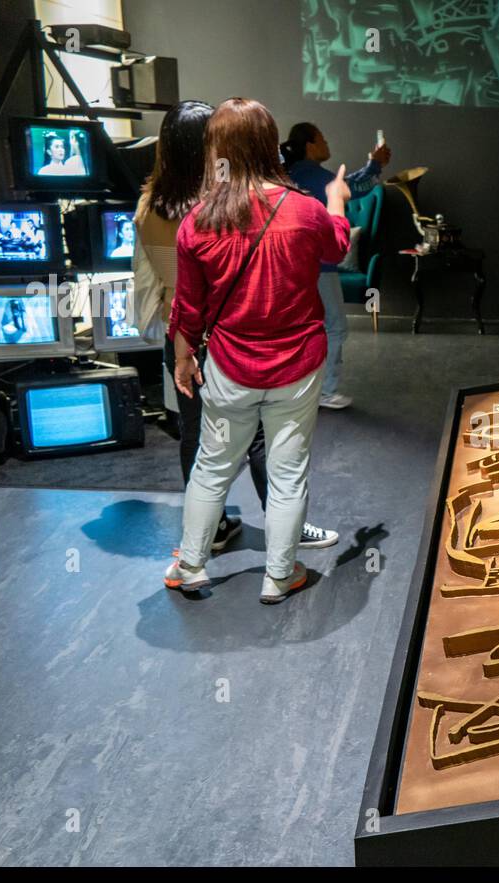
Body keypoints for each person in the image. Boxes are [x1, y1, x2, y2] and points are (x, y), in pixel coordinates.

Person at [165, 98, 351, 604]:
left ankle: (192, 566)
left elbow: (188, 307)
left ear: (217, 150)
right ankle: (279, 575)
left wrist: (184, 358)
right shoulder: (305, 212)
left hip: (229, 370)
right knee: (288, 473)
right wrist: (336, 198)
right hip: (298, 367)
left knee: (211, 467)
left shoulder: (197, 221)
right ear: (270, 147)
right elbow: (338, 246)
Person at [134, 99, 267, 552]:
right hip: (227, 331)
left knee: (194, 432)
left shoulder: (149, 203)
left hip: (181, 335)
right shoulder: (217, 207)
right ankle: (286, 527)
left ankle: (207, 527)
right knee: (258, 433)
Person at [281, 121, 392, 410]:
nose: (327, 144)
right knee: (335, 327)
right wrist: (375, 165)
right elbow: (351, 189)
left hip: (290, 266)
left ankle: (296, 388)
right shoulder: (311, 174)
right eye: (323, 139)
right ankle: (326, 391)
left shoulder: (292, 174)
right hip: (318, 266)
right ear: (310, 145)